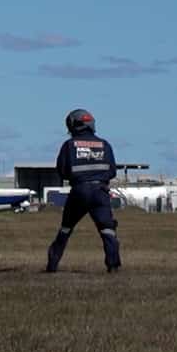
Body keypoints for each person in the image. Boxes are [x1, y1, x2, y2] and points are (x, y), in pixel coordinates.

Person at [45, 108, 121, 273]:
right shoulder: (104, 144)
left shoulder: (69, 145)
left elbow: (62, 171)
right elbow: (112, 171)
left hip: (79, 191)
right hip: (100, 191)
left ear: (72, 125)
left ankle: (52, 266)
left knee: (66, 228)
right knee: (107, 229)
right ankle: (113, 266)